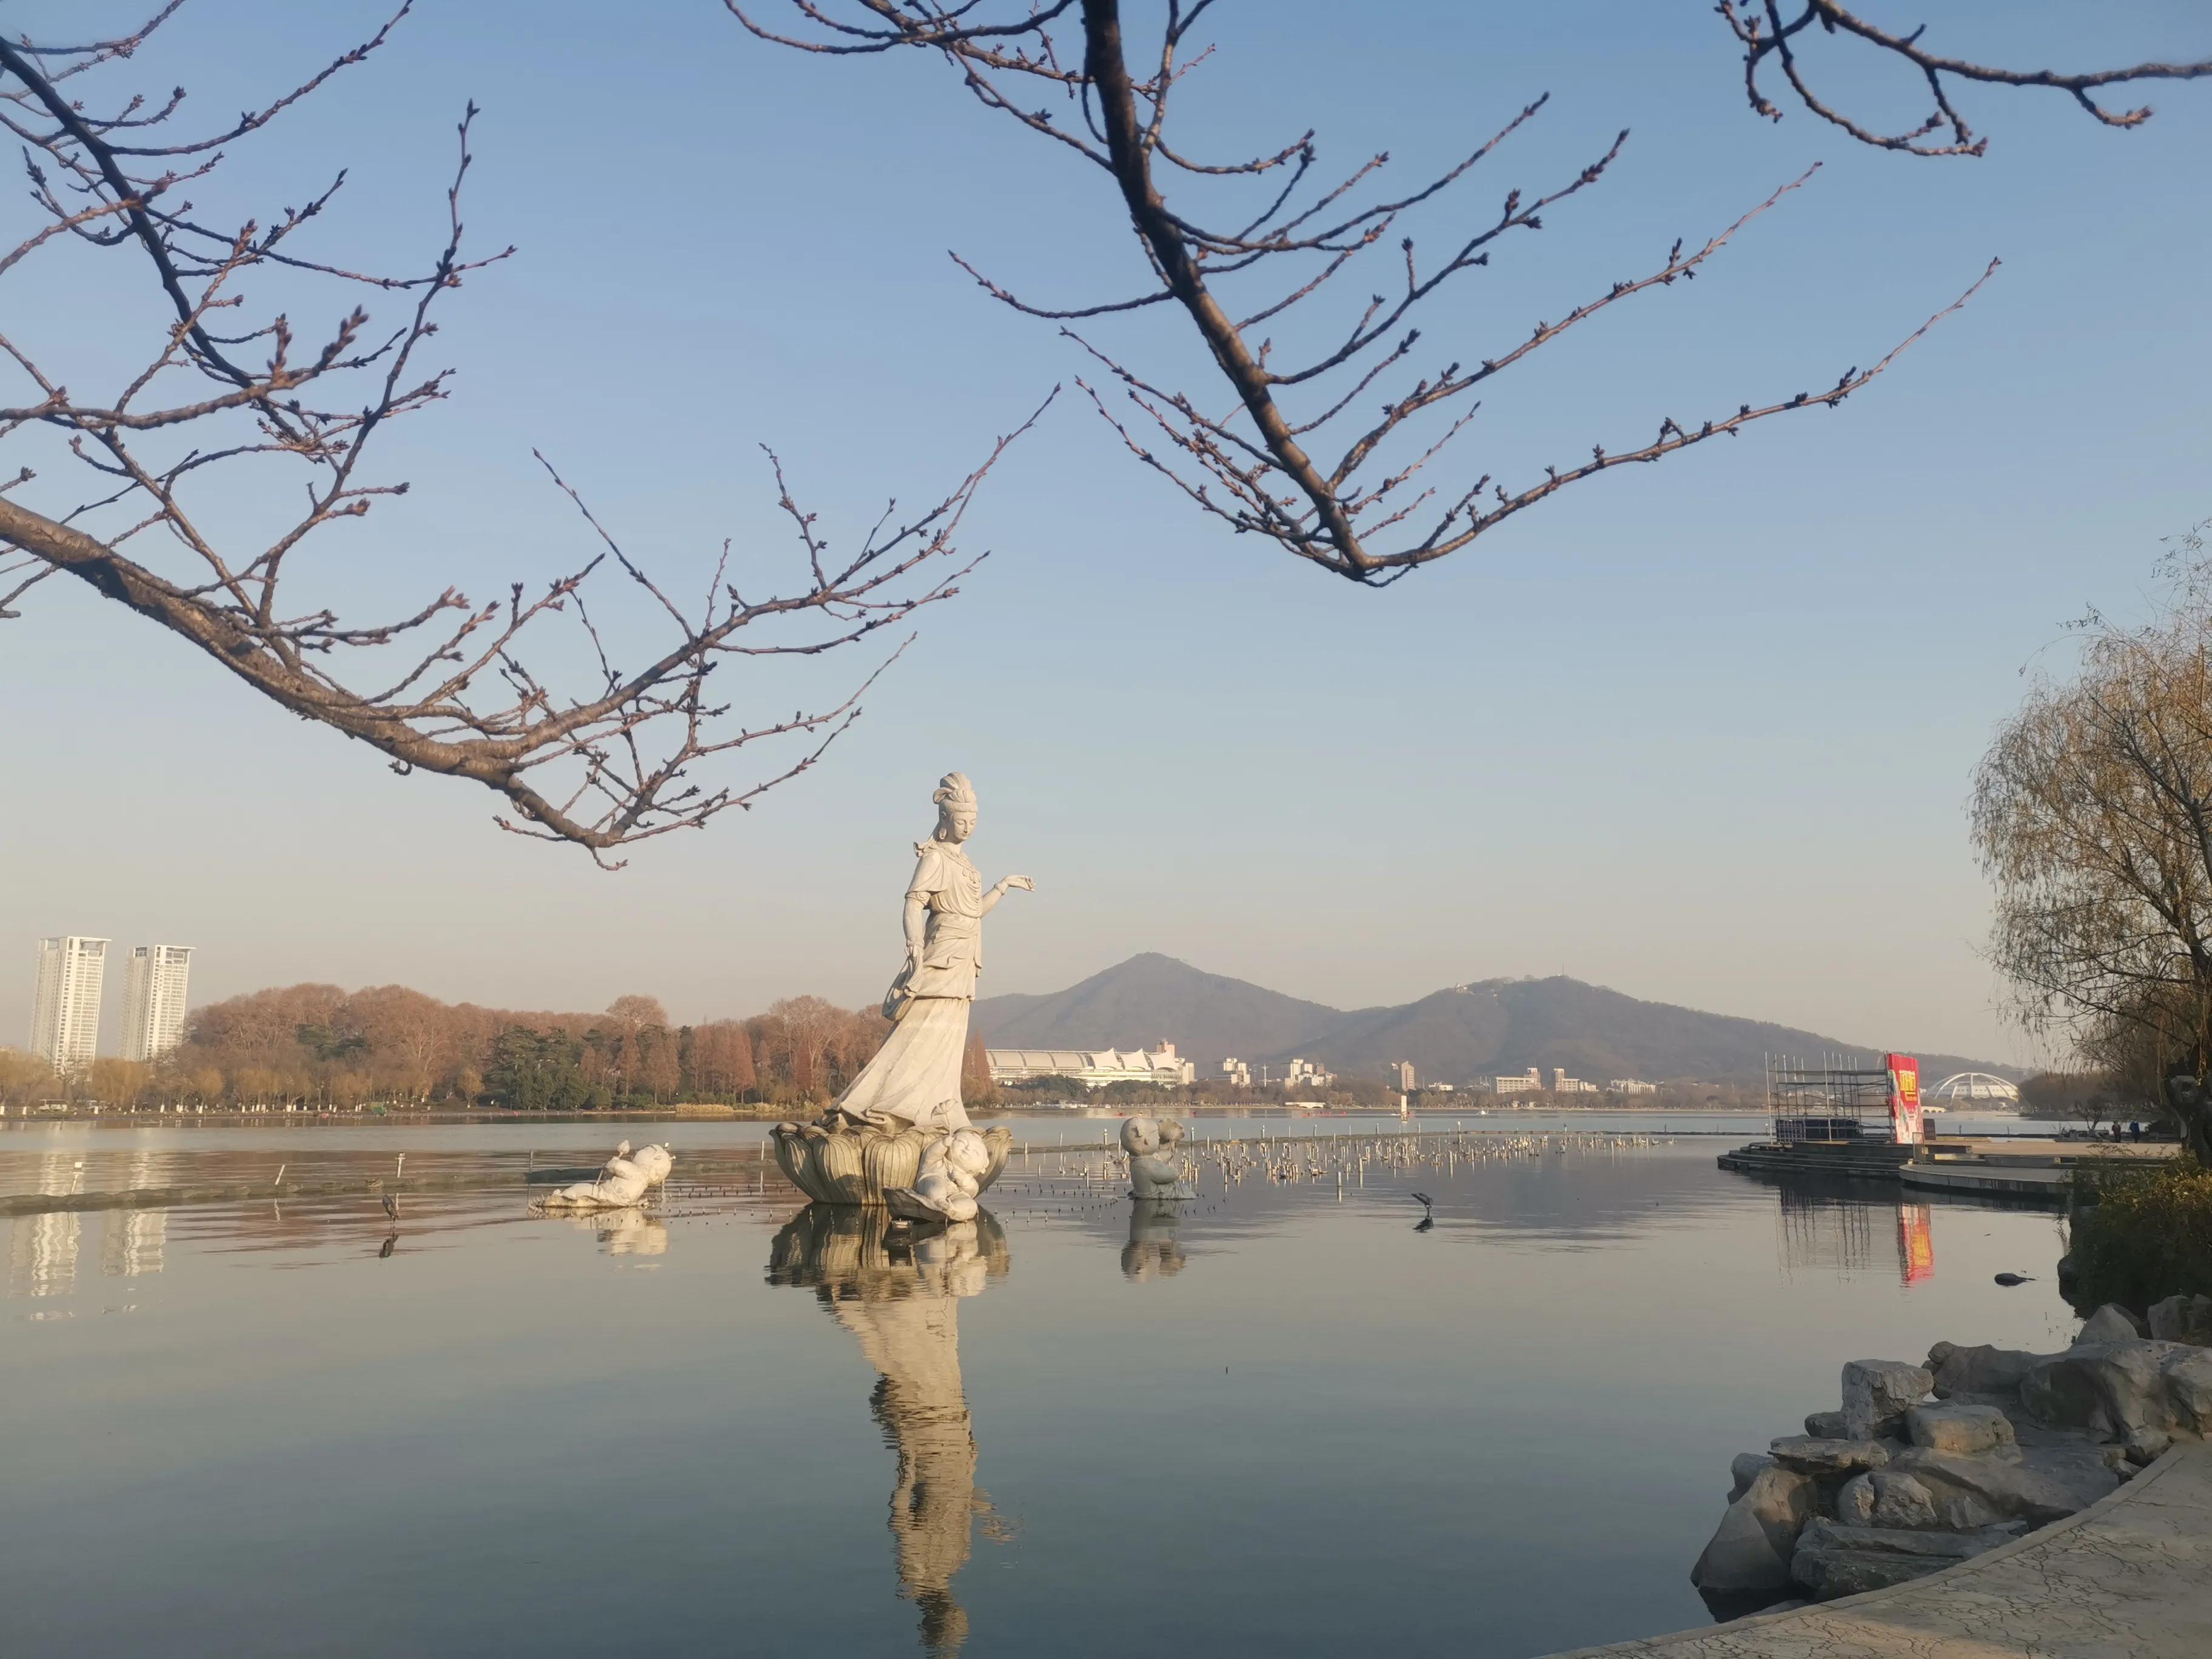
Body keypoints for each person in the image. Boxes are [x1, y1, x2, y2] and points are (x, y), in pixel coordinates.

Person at [826, 772, 1033, 1134]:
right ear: (945, 820)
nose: (967, 827)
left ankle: (938, 1104)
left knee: (949, 1035)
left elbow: (973, 911)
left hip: (966, 955)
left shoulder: (968, 866)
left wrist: (1004, 886)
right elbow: (913, 903)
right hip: (941, 953)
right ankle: (884, 1103)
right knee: (922, 1027)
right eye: (961, 820)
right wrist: (915, 945)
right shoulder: (935, 859)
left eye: (973, 821)